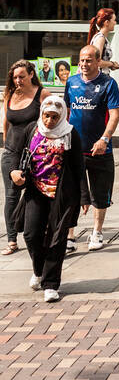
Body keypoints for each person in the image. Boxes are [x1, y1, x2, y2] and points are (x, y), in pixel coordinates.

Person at [10, 94, 85, 303]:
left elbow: (79, 166)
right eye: (46, 116)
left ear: (61, 116)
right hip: (35, 190)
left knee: (57, 238)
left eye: (54, 117)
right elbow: (17, 156)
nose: (49, 121)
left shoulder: (70, 134)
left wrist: (85, 197)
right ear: (41, 114)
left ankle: (51, 284)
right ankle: (39, 270)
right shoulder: (32, 130)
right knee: (31, 234)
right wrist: (14, 173)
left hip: (62, 194)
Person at [64, 45, 119, 250]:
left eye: (88, 60)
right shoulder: (71, 82)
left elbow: (115, 115)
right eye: (81, 60)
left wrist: (104, 139)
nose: (84, 64)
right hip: (74, 149)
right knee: (71, 193)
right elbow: (67, 112)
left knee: (100, 194)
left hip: (100, 150)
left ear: (98, 62)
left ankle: (97, 232)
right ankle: (69, 235)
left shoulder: (108, 84)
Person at [1, 60, 45, 256]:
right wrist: (6, 147)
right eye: (15, 77)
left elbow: (55, 118)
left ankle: (38, 232)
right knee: (11, 197)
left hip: (33, 154)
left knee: (36, 195)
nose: (18, 80)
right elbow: (6, 124)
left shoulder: (42, 95)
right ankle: (11, 239)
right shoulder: (10, 95)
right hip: (11, 152)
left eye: (21, 77)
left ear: (31, 75)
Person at [88, 8, 119, 74]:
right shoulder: (100, 38)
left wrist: (110, 65)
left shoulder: (102, 38)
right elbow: (97, 62)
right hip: (99, 80)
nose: (115, 23)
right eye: (114, 20)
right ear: (107, 22)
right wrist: (112, 64)